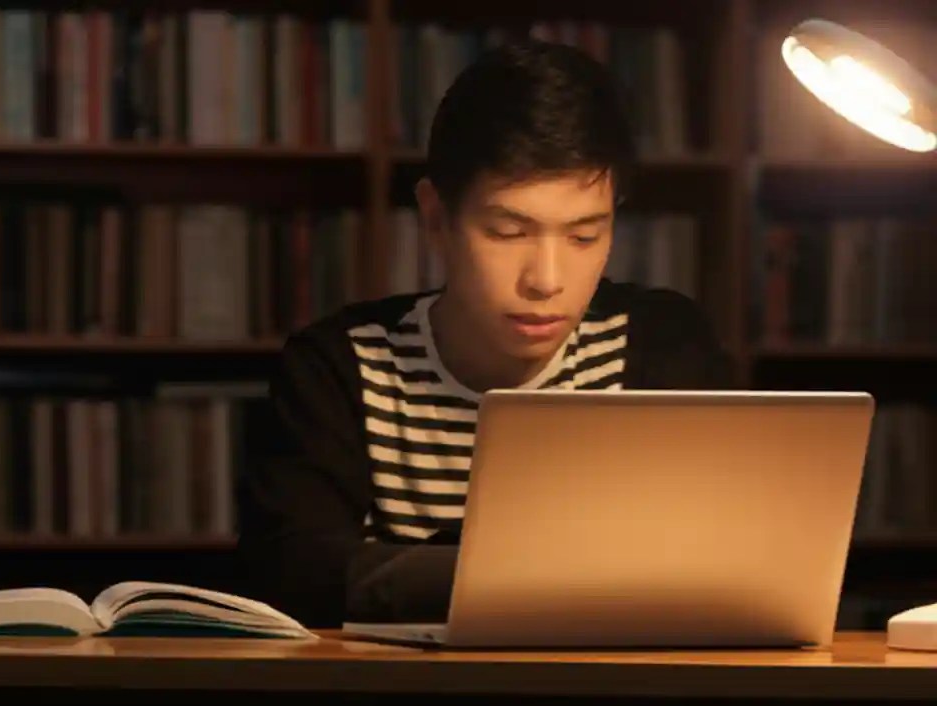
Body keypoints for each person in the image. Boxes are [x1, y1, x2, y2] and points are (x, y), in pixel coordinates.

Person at [234, 37, 736, 629]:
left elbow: (721, 566)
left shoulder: (659, 344)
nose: (547, 280)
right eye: (506, 231)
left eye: (584, 237)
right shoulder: (339, 366)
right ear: (436, 219)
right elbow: (294, 578)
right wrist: (571, 574)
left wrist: (407, 574)